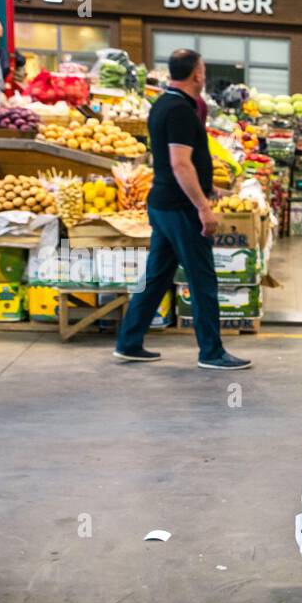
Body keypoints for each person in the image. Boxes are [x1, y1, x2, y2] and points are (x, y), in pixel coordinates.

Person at [113, 49, 250, 370]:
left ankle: (129, 342)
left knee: (157, 276)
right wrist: (203, 207)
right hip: (180, 209)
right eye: (203, 70)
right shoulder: (179, 110)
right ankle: (211, 352)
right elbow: (179, 163)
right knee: (203, 279)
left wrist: (209, 187)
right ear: (197, 74)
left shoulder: (164, 104)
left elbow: (175, 161)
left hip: (164, 204)